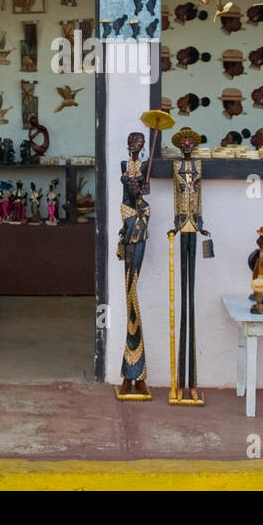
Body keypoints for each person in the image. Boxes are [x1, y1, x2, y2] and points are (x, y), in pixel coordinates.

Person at [169, 126, 209, 403]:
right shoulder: (176, 166)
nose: (186, 146)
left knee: (190, 299)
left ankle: (191, 381)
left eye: (189, 143)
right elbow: (176, 195)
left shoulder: (198, 165)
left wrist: (201, 223)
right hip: (181, 223)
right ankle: (181, 383)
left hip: (194, 224)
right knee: (181, 296)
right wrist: (175, 222)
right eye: (182, 143)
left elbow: (199, 195)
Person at [116, 132, 151, 400]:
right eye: (131, 142)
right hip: (129, 230)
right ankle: (132, 372)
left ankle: (136, 373)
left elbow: (141, 202)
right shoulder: (124, 167)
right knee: (130, 298)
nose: (134, 146)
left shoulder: (146, 168)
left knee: (133, 296)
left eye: (138, 142)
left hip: (139, 230)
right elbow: (126, 203)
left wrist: (141, 189)